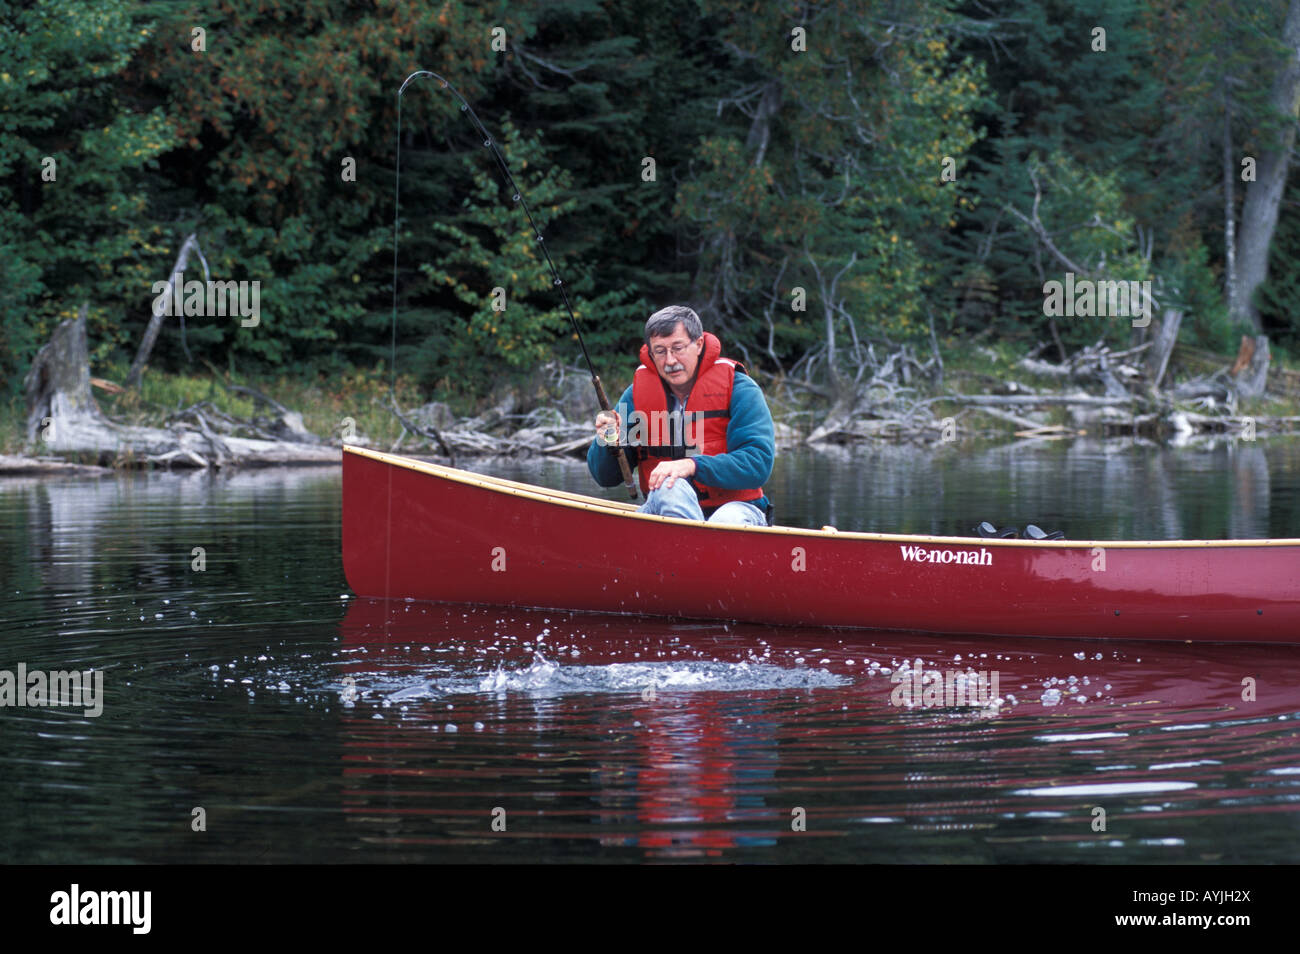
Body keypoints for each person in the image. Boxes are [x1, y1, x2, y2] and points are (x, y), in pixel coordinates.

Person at [587, 305, 775, 526]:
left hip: (737, 509)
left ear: (698, 344)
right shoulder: (635, 396)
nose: (670, 361)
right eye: (660, 351)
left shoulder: (740, 389)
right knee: (669, 485)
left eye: (678, 348)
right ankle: (692, 550)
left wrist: (692, 465)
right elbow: (605, 477)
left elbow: (758, 464)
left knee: (724, 520)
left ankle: (694, 550)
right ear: (650, 352)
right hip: (665, 507)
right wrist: (607, 438)